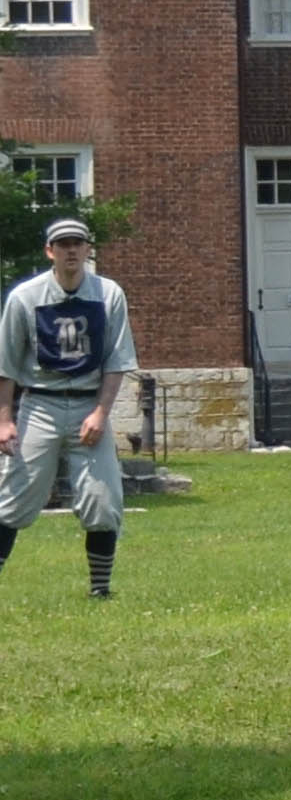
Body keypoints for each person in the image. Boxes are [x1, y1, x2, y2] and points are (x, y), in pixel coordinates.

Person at [0, 215, 129, 597]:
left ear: (88, 249)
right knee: (13, 500)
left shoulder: (109, 295)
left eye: (77, 243)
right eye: (63, 244)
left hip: (89, 405)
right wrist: (4, 420)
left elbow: (117, 360)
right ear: (49, 251)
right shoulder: (25, 297)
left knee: (103, 502)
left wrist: (101, 414)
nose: (71, 250)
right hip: (40, 404)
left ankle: (100, 591)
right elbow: (6, 364)